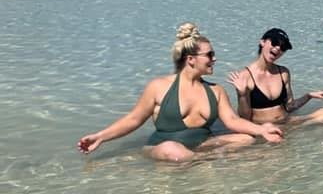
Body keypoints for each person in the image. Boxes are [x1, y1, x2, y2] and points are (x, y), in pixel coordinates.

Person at [77, 23, 283, 161]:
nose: (214, 59)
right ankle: (204, 164)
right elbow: (133, 119)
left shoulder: (216, 91)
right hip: (162, 147)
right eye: (209, 55)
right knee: (172, 149)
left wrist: (261, 130)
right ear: (190, 59)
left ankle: (199, 161)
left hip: (201, 146)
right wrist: (101, 137)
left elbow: (233, 121)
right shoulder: (159, 86)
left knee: (246, 139)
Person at [228, 28, 323, 124]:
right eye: (274, 42)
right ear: (262, 42)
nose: (278, 48)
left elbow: (289, 106)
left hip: (286, 122)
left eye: (283, 47)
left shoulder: (283, 73)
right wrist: (242, 95)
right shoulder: (245, 76)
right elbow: (245, 118)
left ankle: (294, 129)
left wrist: (308, 96)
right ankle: (294, 130)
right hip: (263, 128)